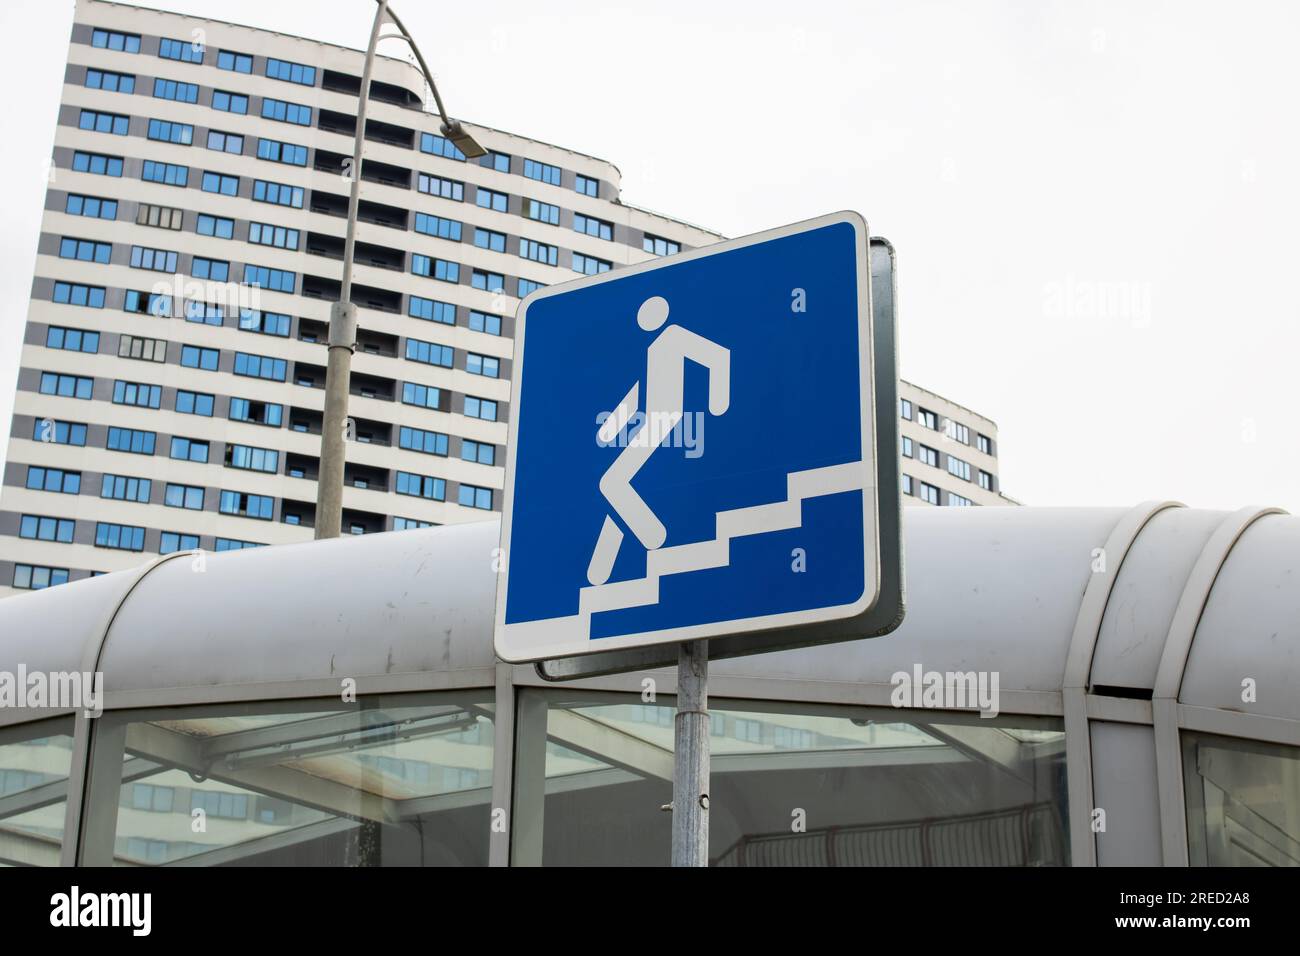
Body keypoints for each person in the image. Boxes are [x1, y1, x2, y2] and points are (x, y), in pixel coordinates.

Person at [586, 295, 730, 586]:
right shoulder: (651, 349)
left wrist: (718, 402)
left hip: (666, 421)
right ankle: (608, 558)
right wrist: (611, 428)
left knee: (613, 483)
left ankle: (653, 534)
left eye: (648, 313)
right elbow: (638, 392)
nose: (643, 318)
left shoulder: (675, 336)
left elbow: (717, 357)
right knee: (622, 485)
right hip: (651, 421)